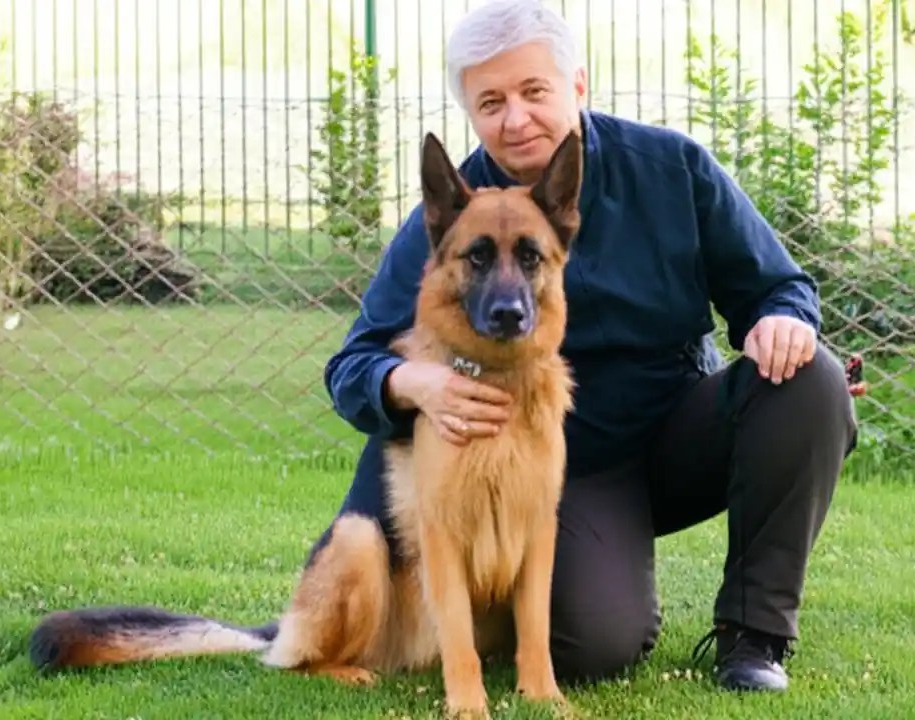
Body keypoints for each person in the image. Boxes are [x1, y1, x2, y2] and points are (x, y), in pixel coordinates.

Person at [319, 0, 858, 695]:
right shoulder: (460, 216)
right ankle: (568, 596)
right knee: (594, 646)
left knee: (810, 381)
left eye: (533, 91)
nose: (516, 118)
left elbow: (780, 287)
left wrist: (782, 320)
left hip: (675, 436)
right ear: (470, 114)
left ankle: (754, 637)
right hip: (567, 480)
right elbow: (354, 364)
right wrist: (411, 383)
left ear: (578, 84)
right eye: (491, 102)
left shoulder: (671, 170)